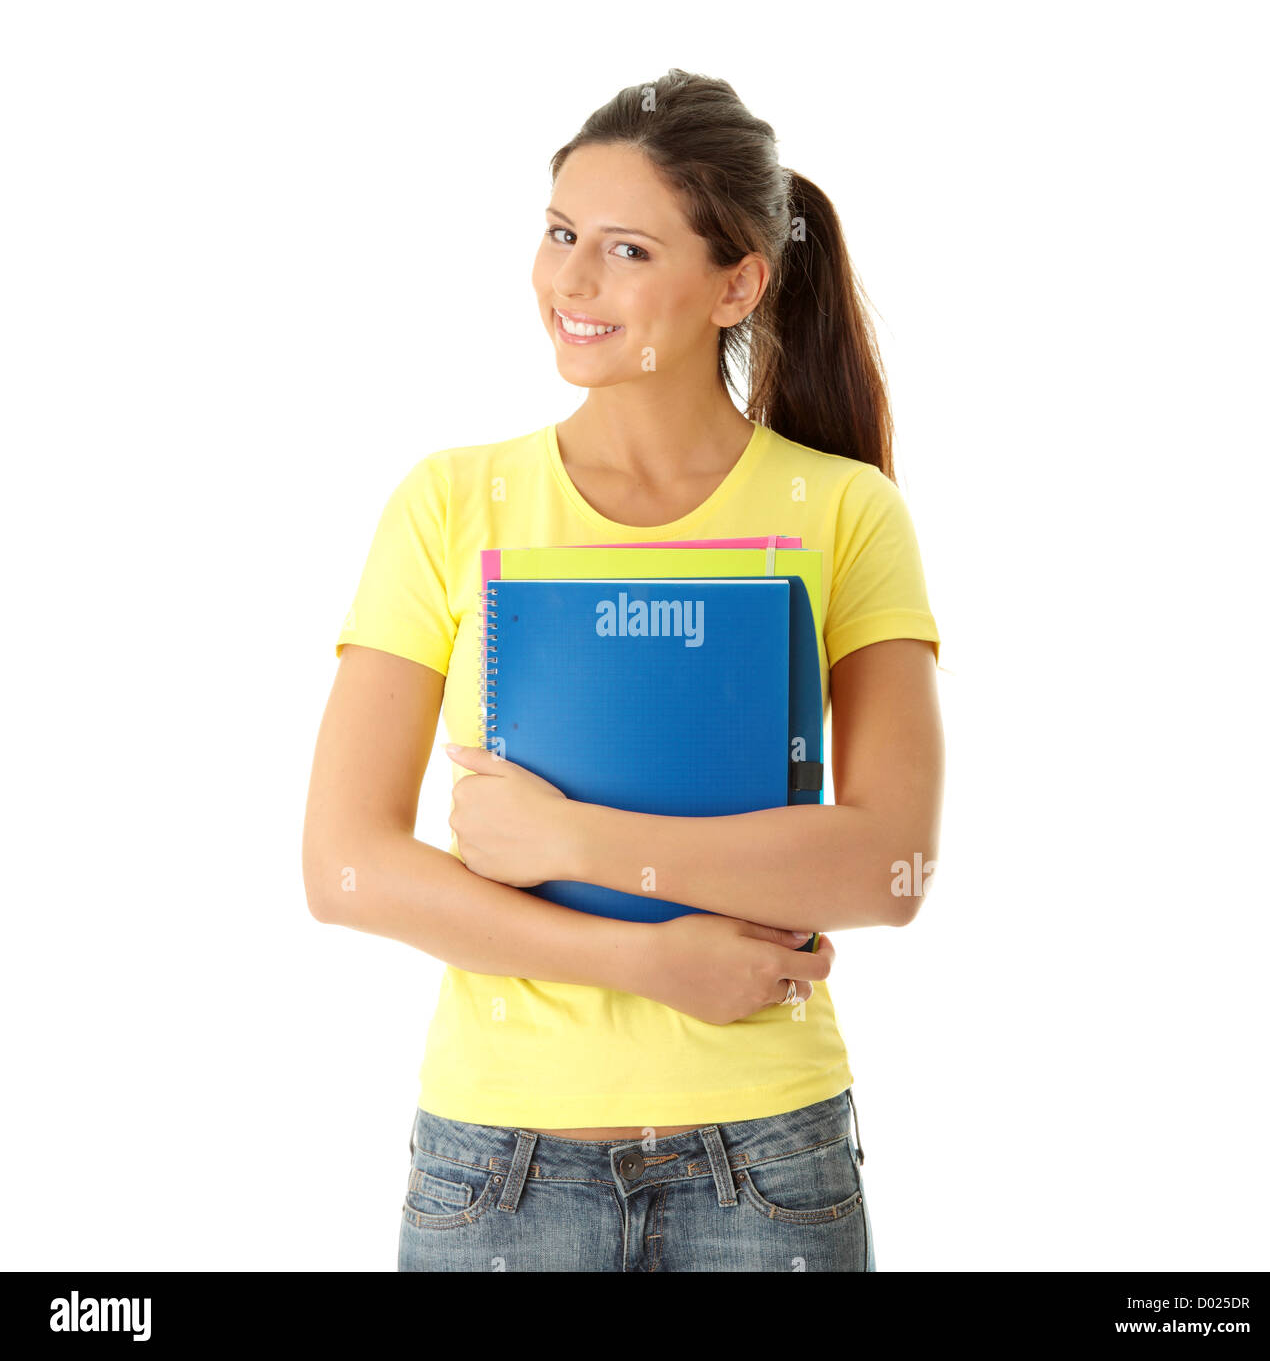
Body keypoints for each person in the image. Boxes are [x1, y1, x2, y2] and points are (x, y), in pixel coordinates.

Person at [303, 68, 944, 1272]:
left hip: (766, 1165)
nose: (570, 281)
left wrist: (573, 844)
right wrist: (646, 959)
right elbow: (344, 867)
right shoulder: (450, 503)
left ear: (737, 282)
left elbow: (886, 866)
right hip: (495, 1169)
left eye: (626, 249)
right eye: (558, 234)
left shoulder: (843, 512)